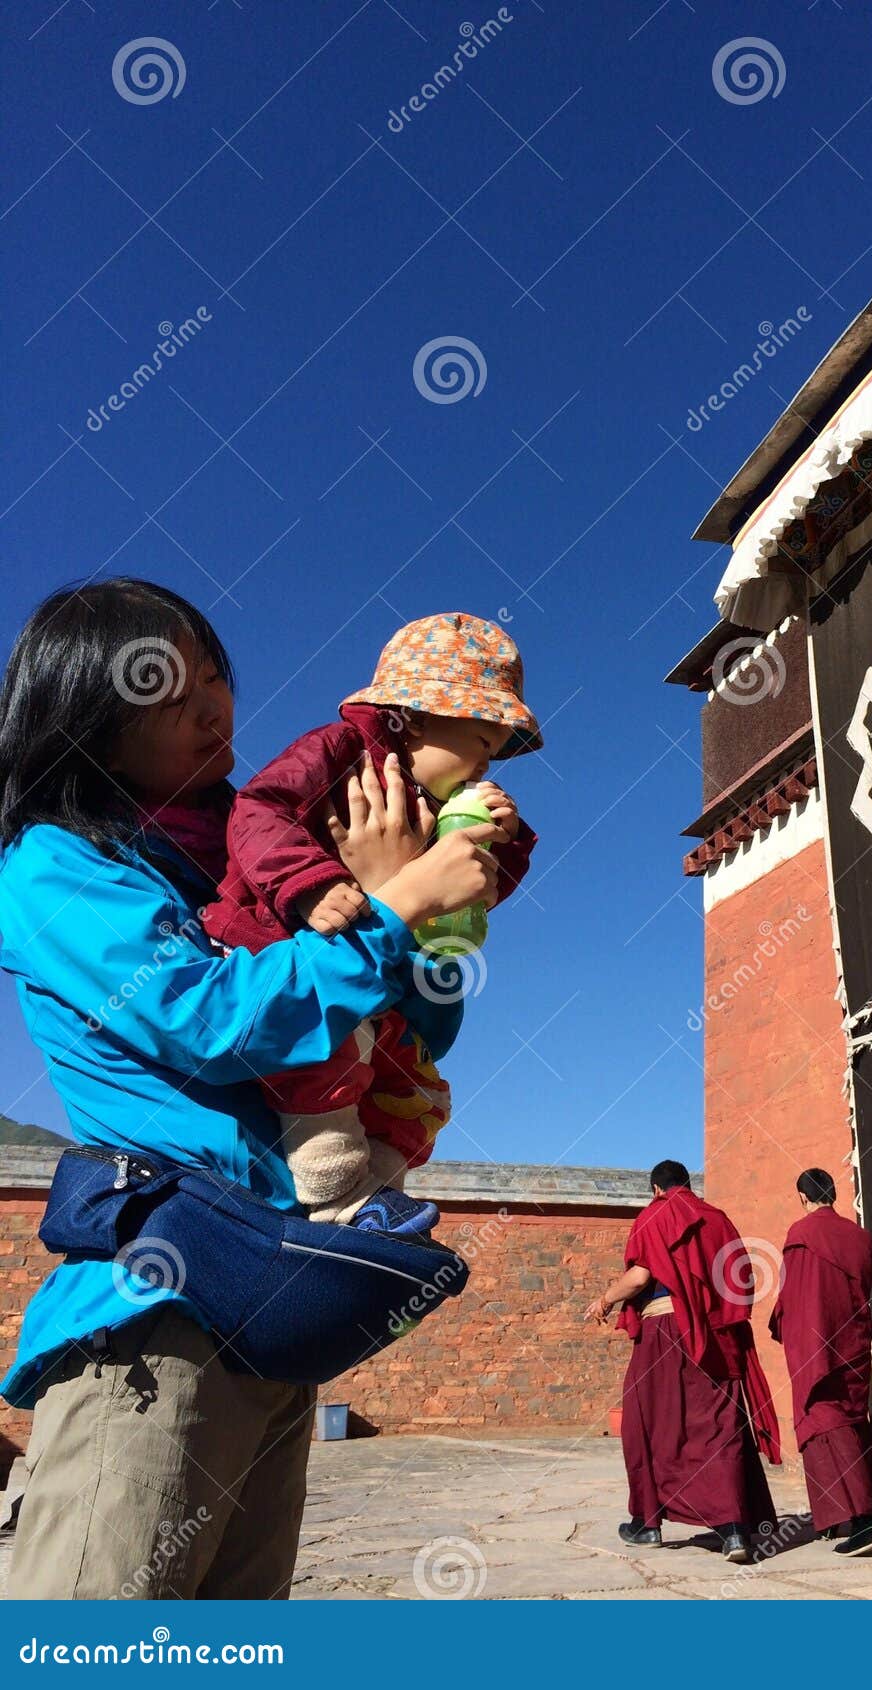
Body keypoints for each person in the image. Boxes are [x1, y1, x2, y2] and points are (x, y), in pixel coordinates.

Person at [0, 578, 500, 1599]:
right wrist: (390, 908)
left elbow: (424, 1025)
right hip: (161, 1309)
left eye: (216, 673)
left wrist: (414, 908)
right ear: (84, 708)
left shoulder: (246, 847)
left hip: (275, 1313)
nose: (213, 704)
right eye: (164, 685)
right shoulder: (53, 866)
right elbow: (212, 1018)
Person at [203, 612, 540, 1234]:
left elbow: (473, 891)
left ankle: (381, 1191)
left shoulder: (436, 804)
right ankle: (336, 1197)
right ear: (414, 716)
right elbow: (258, 809)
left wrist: (502, 842)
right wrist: (311, 883)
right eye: (482, 744)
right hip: (282, 952)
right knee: (326, 1062)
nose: (485, 769)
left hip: (373, 977)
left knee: (418, 1086)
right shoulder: (337, 752)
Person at [586, 1160, 781, 1563]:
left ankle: (647, 1524)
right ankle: (734, 1532)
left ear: (656, 1189)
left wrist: (604, 1299)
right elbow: (738, 1281)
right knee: (719, 1426)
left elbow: (640, 1278)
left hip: (663, 1335)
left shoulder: (654, 1215)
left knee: (646, 1423)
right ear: (688, 1185)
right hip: (714, 1338)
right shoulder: (718, 1220)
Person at [769, 1167, 872, 1556]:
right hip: (853, 1342)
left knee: (826, 1421)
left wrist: (788, 1326)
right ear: (833, 1195)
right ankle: (837, 1518)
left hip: (818, 1347)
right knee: (852, 1420)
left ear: (803, 1197)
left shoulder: (801, 1235)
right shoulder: (860, 1237)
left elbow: (796, 1295)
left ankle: (866, 1521)